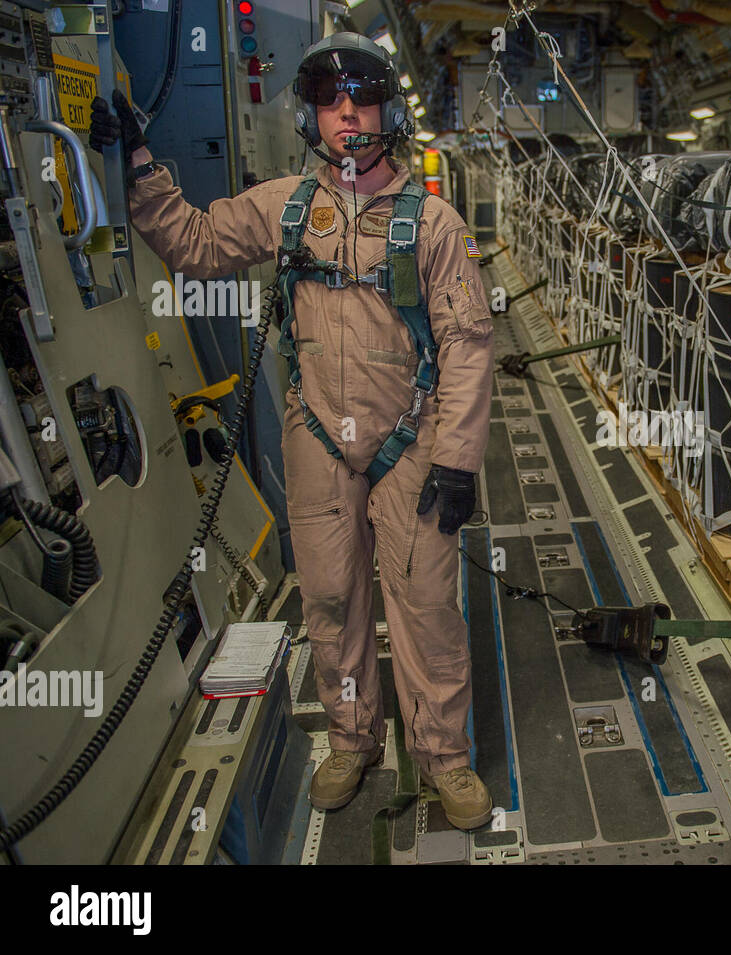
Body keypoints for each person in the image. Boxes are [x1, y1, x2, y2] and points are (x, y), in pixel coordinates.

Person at [88, 32, 495, 830]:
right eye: (331, 102)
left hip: (410, 441)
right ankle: (352, 738)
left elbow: (469, 347)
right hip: (317, 438)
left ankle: (444, 757)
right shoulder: (286, 208)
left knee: (426, 608)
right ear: (311, 116)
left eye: (362, 99)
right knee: (333, 601)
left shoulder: (433, 223)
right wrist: (138, 166)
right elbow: (197, 245)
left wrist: (456, 460)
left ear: (387, 112)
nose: (348, 115)